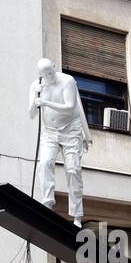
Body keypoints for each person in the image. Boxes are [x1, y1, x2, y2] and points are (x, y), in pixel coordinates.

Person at [29, 57, 92, 227]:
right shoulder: (38, 86)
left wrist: (45, 102)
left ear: (54, 68)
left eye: (51, 71)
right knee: (45, 163)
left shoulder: (67, 81)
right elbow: (31, 114)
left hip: (70, 131)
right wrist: (35, 95)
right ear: (40, 74)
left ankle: (77, 216)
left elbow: (71, 106)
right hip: (49, 133)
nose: (50, 75)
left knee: (72, 170)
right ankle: (48, 201)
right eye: (46, 73)